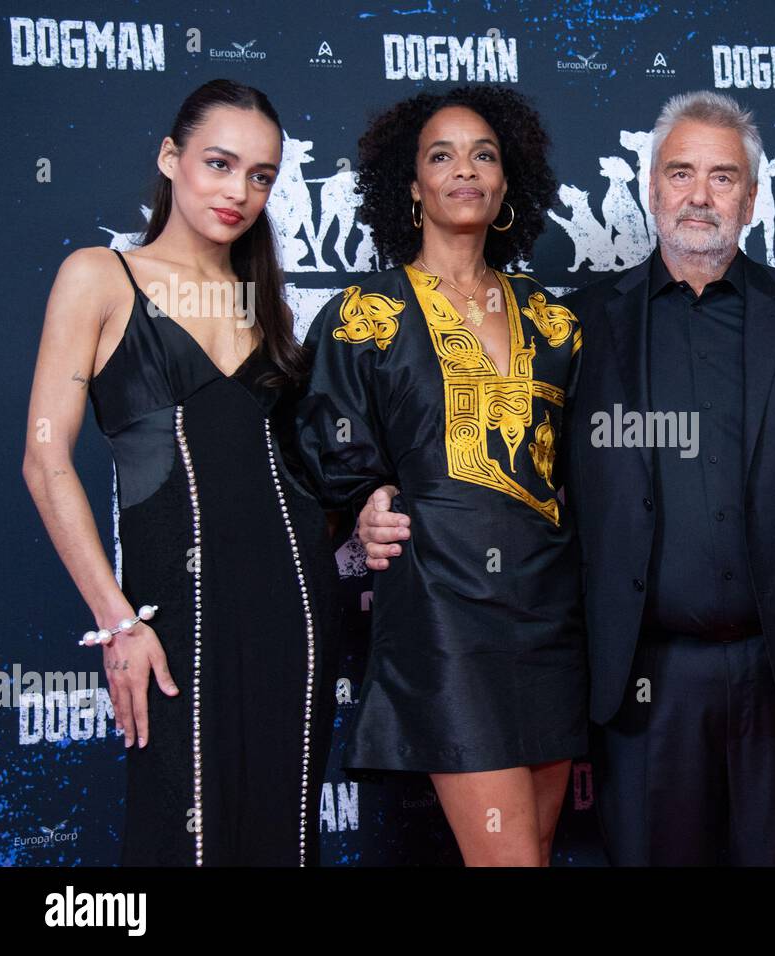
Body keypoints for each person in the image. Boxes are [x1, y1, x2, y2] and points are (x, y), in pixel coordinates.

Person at [362, 90, 775, 866]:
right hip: (643, 681)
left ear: (752, 199)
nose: (698, 194)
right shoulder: (576, 325)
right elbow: (485, 441)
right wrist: (370, 498)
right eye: (679, 172)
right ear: (650, 187)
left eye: (723, 178)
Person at [22, 79, 340, 866]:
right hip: (173, 617)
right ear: (171, 158)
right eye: (220, 164)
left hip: (297, 609)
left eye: (261, 175)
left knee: (285, 840)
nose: (240, 191)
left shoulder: (267, 305)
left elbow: (306, 469)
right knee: (177, 840)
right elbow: (43, 458)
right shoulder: (99, 276)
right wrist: (119, 621)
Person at [290, 85, 585, 867]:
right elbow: (333, 452)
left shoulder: (554, 320)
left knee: (539, 850)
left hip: (551, 609)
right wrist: (364, 505)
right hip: (442, 610)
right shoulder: (366, 313)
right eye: (442, 155)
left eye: (484, 155)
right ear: (411, 184)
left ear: (506, 182)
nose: (465, 170)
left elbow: (593, 461)